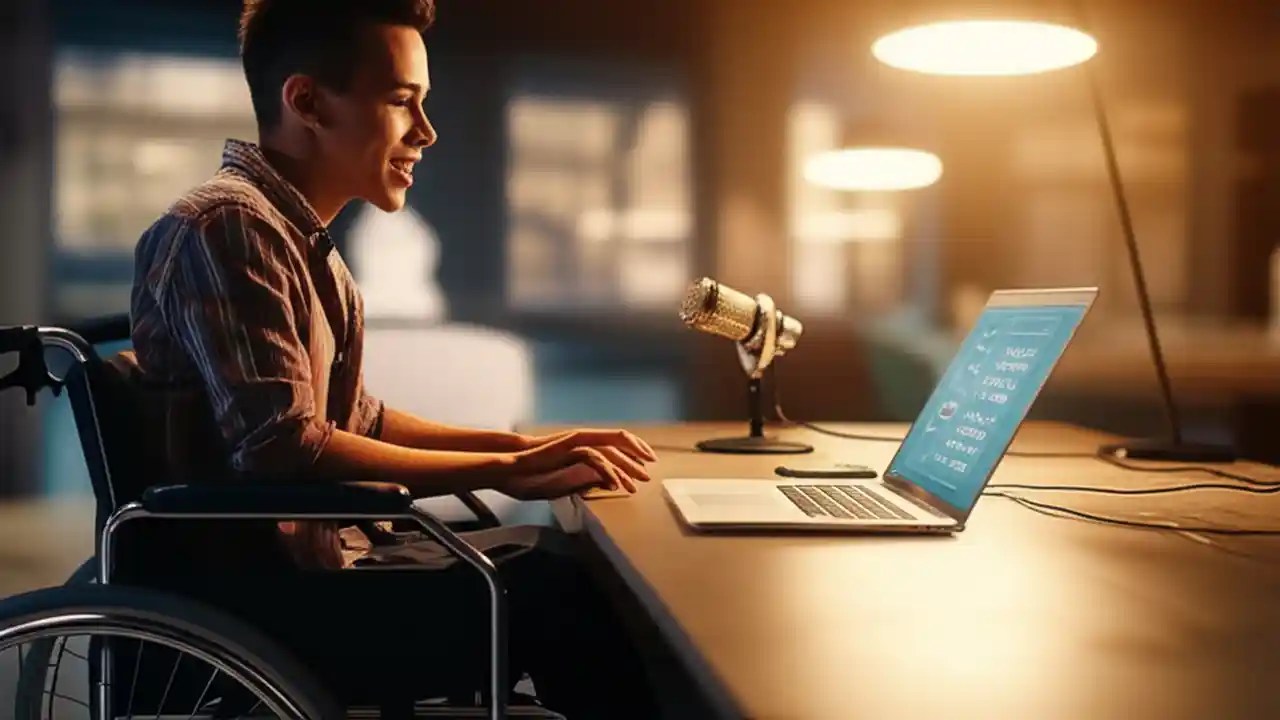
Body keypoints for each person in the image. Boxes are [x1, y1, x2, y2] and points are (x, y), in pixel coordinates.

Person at [128, 0, 660, 716]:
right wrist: (504, 470)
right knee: (562, 596)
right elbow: (284, 448)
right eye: (402, 102)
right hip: (269, 608)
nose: (427, 132)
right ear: (308, 102)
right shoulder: (229, 229)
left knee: (559, 559)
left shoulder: (297, 239)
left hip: (317, 568)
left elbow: (361, 418)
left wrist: (526, 447)